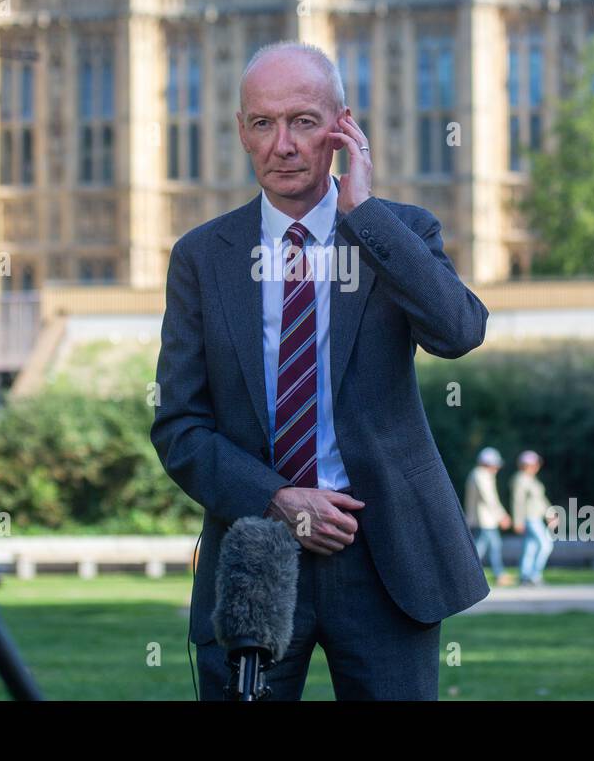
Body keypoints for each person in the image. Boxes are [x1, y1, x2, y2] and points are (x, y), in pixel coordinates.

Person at [150, 41, 490, 700]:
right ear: (242, 133)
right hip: (255, 556)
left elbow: (459, 333)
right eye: (262, 123)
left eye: (303, 121)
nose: (282, 144)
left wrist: (365, 214)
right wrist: (276, 499)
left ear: (343, 128)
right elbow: (179, 425)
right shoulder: (202, 257)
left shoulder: (400, 232)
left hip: (384, 556)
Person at [463, 446, 514, 586]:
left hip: (486, 520)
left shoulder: (480, 474)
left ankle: (498, 574)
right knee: (480, 549)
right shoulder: (481, 475)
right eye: (495, 464)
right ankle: (468, 574)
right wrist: (502, 516)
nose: (497, 468)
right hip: (484, 520)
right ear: (487, 463)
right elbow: (489, 498)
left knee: (492, 547)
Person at [511, 450, 557, 586]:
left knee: (530, 548)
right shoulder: (520, 479)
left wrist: (551, 513)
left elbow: (541, 500)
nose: (537, 466)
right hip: (529, 519)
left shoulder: (532, 480)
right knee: (546, 545)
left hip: (536, 518)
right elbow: (517, 501)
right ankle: (534, 576)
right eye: (534, 463)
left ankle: (524, 577)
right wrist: (517, 521)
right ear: (526, 464)